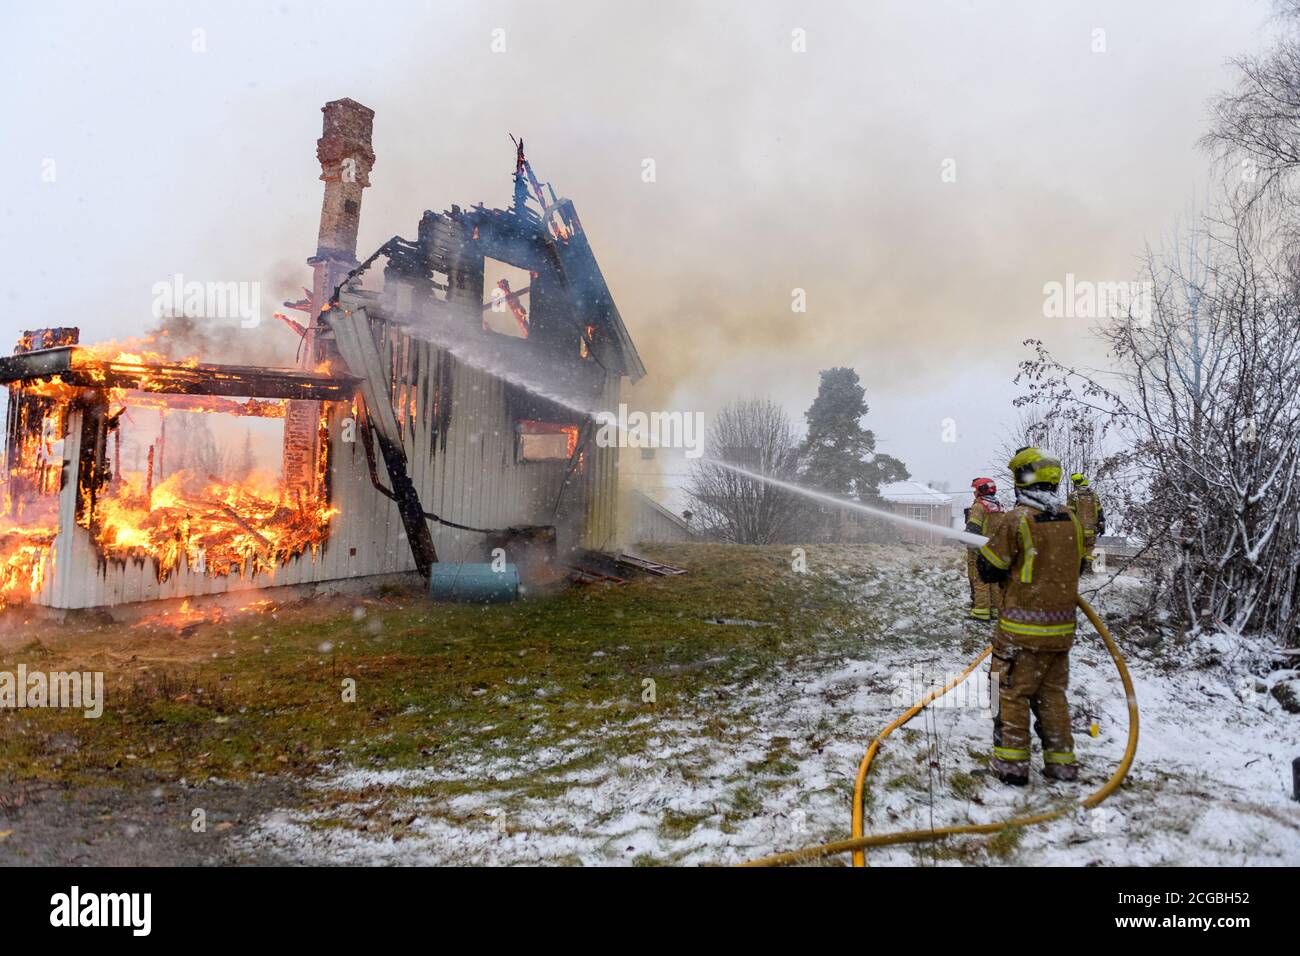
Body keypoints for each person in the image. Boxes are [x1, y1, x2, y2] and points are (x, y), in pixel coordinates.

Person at [974, 447, 1086, 785]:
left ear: (1022, 478)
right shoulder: (1072, 521)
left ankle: (1012, 767)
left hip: (1019, 635)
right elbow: (1077, 566)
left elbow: (988, 569)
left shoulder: (1017, 520)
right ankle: (1062, 764)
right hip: (1060, 633)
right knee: (1052, 695)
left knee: (1009, 693)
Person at [963, 477, 1004, 622]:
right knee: (993, 580)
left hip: (980, 549)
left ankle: (981, 611)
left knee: (980, 580)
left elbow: (973, 528)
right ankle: (995, 609)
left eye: (975, 489)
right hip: (995, 549)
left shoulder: (979, 506)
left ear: (981, 490)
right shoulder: (998, 506)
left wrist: (964, 536)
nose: (974, 493)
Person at [1067, 473, 1105, 573]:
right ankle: (1088, 566)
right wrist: (1101, 524)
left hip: (1078, 529)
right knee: (1089, 547)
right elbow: (1100, 511)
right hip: (1092, 528)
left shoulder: (1073, 496)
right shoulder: (1093, 495)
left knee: (1077, 547)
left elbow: (1070, 513)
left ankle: (1078, 568)